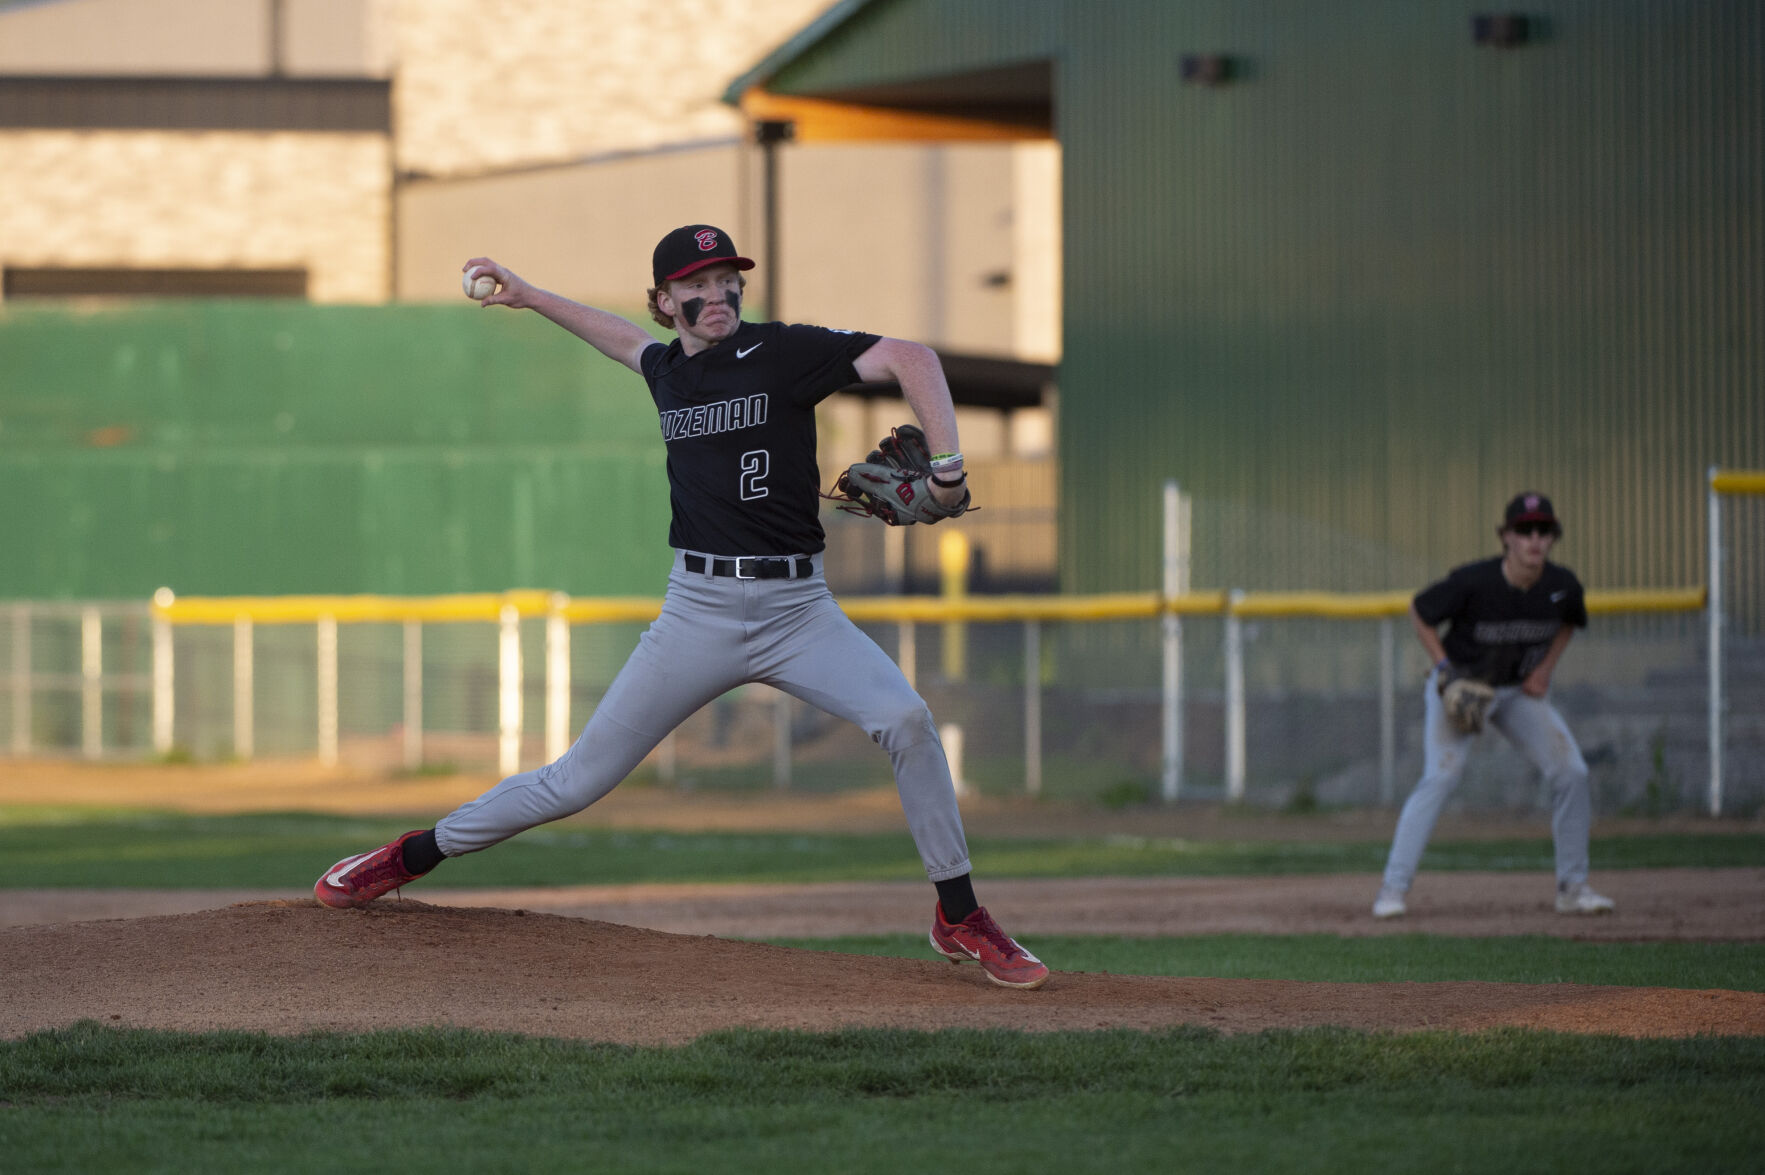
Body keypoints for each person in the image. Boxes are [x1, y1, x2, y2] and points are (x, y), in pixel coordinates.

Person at [313, 225, 1048, 990]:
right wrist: (529, 296)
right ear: (666, 301)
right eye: (695, 284)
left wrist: (948, 470)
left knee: (905, 720)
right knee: (574, 782)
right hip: (697, 611)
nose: (717, 293)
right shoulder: (665, 370)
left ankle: (958, 914)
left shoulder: (781, 351)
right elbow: (619, 339)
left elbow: (911, 357)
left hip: (798, 610)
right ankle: (408, 855)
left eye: (727, 278)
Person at [1372, 492, 1614, 919]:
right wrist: (1445, 669)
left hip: (1516, 692)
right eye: (1525, 530)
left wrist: (1545, 670)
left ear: (1553, 537)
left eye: (1543, 531)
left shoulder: (1561, 587)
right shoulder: (1475, 581)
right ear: (1506, 537)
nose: (1534, 539)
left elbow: (1570, 621)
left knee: (1571, 771)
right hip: (1462, 688)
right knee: (1442, 776)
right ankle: (1392, 890)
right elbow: (1419, 611)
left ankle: (1573, 888)